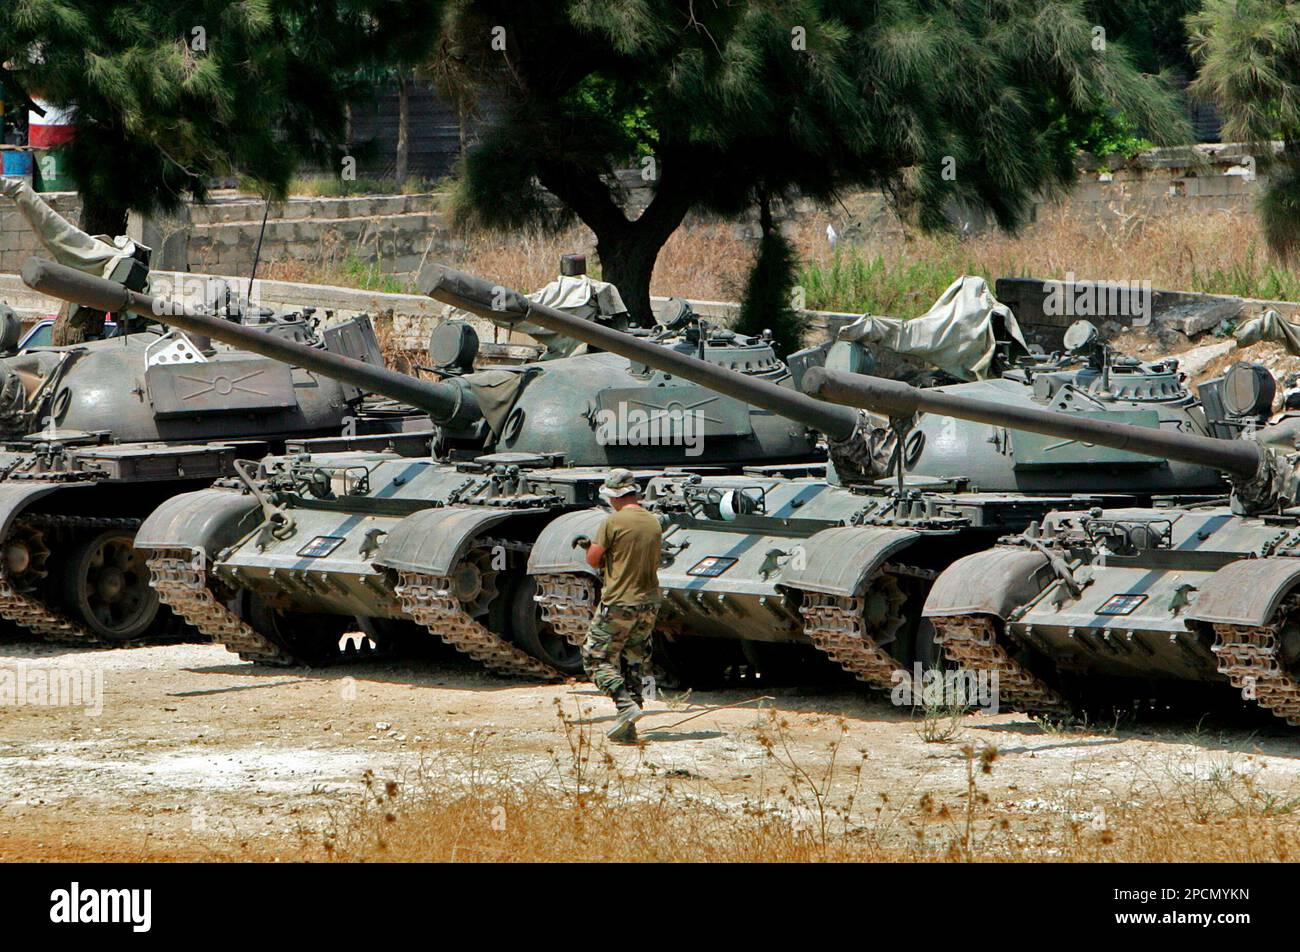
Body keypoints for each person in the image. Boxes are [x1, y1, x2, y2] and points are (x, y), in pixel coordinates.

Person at [576, 469, 662, 744]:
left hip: (619, 602)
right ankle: (628, 729)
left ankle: (624, 705)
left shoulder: (613, 521)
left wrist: (588, 545)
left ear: (614, 496)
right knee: (633, 662)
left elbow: (593, 560)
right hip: (647, 603)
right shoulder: (653, 522)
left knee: (595, 658)